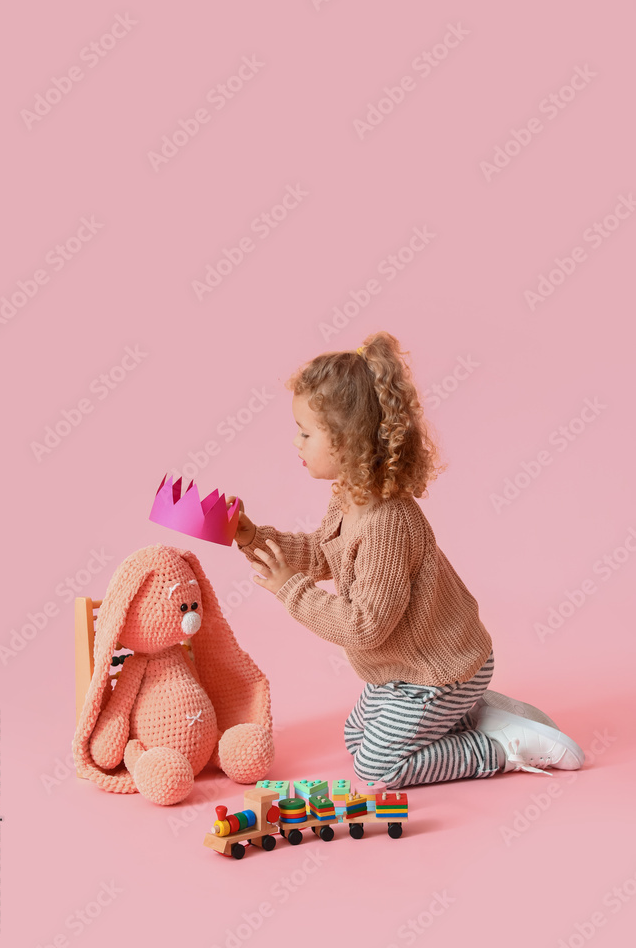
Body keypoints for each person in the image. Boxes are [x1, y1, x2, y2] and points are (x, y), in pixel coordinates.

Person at [228, 331, 584, 786]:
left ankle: (502, 747)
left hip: (439, 670)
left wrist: (290, 591)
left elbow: (365, 627)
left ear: (348, 442)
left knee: (376, 767)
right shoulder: (349, 498)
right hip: (398, 674)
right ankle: (476, 715)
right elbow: (322, 552)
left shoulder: (387, 524)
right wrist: (254, 537)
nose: (296, 442)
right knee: (356, 736)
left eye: (306, 432)